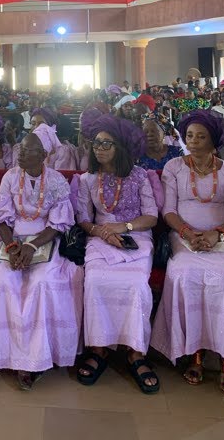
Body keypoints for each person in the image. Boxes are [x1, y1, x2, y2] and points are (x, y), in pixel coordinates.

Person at [152, 110, 224, 396]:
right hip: (183, 236)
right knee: (184, 273)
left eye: (201, 136)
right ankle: (193, 353)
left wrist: (217, 234)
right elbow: (168, 210)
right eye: (190, 135)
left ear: (213, 140)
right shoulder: (174, 167)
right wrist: (187, 233)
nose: (193, 142)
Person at [0, 129, 82, 391]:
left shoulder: (57, 181)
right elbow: (1, 217)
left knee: (41, 282)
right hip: (10, 241)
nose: (20, 154)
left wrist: (32, 246)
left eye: (28, 150)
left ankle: (34, 359)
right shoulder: (10, 177)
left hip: (45, 242)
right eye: (20, 149)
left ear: (44, 155)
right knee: (3, 279)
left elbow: (58, 224)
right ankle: (6, 353)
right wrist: (12, 245)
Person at [70, 111, 161, 393]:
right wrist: (102, 232)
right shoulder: (87, 179)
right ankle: (99, 348)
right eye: (96, 143)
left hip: (136, 235)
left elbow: (152, 216)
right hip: (100, 237)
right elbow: (84, 219)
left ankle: (135, 351)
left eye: (106, 143)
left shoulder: (140, 176)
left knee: (134, 284)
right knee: (95, 280)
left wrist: (123, 227)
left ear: (120, 147)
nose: (99, 148)